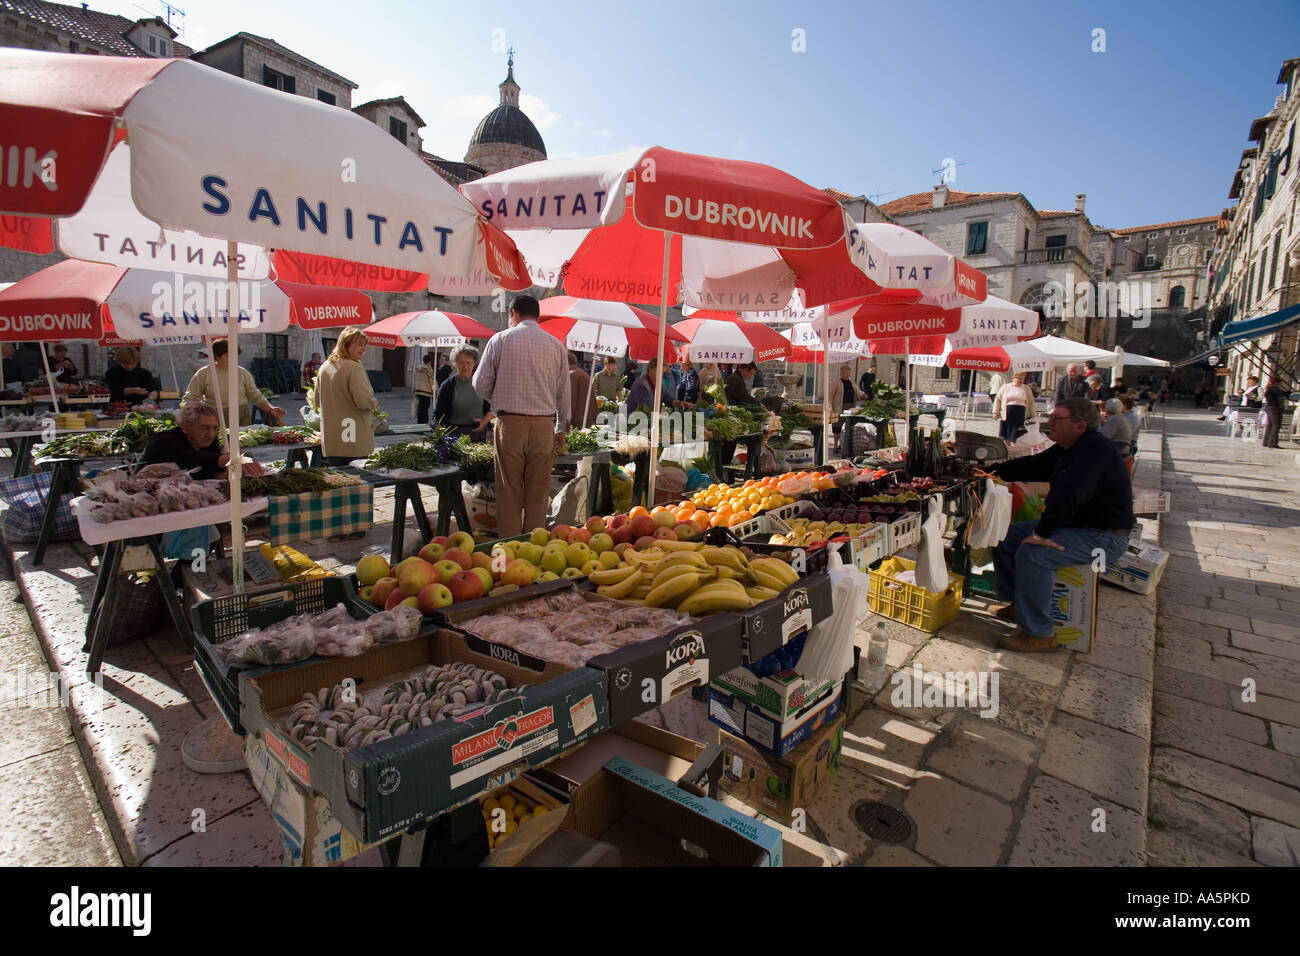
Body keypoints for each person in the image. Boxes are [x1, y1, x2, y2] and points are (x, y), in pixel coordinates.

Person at [983, 398, 1134, 652]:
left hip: (1102, 536)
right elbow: (1033, 465)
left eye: (1056, 418)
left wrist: (1042, 533)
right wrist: (990, 471)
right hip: (1074, 524)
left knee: (1033, 554)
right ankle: (1019, 604)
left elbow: (1070, 495)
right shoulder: (1067, 447)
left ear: (1079, 425)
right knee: (1003, 535)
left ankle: (1039, 633)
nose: (1048, 422)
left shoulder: (1095, 450)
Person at [473, 294, 570, 538]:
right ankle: (534, 545)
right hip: (543, 425)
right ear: (537, 316)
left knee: (508, 490)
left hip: (510, 423)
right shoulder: (556, 345)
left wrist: (497, 400)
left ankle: (511, 546)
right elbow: (563, 393)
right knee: (538, 492)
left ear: (514, 314)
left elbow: (479, 383)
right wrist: (560, 428)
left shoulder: (500, 340)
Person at [313, 328, 380, 478]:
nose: (363, 348)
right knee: (358, 482)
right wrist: (374, 403)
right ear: (346, 344)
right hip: (352, 434)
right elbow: (363, 401)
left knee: (340, 481)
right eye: (358, 344)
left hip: (332, 436)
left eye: (364, 345)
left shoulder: (324, 366)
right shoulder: (354, 367)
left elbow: (317, 399)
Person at [183, 338, 285, 427]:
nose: (233, 358)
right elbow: (191, 396)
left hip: (241, 417)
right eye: (228, 355)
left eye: (235, 355)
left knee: (242, 446)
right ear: (217, 356)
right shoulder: (205, 373)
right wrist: (189, 415)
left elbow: (255, 395)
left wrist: (271, 409)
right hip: (214, 418)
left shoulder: (242, 373)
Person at [142, 401, 256, 480]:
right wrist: (224, 459)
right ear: (186, 427)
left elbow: (212, 471)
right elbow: (188, 458)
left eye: (215, 428)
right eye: (204, 428)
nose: (210, 434)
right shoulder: (165, 441)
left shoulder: (208, 440)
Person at [434, 345, 493, 440]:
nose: (465, 366)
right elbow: (439, 413)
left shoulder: (481, 383)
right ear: (455, 363)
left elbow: (493, 406)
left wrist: (485, 421)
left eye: (469, 363)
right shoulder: (448, 385)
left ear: (474, 363)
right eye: (461, 363)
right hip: (454, 433)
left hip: (478, 431)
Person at [993, 372, 1034, 442]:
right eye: (1019, 379)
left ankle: (1014, 447)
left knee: (1016, 433)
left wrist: (1031, 413)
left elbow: (1031, 402)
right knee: (1006, 433)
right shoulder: (1006, 387)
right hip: (1007, 413)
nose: (1021, 381)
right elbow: (998, 400)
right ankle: (1007, 446)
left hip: (1020, 413)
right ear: (1014, 379)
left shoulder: (1026, 388)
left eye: (1023, 379)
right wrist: (995, 412)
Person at [829, 365, 859, 452]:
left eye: (849, 373)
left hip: (849, 407)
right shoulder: (836, 382)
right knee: (836, 427)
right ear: (841, 373)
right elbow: (830, 395)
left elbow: (857, 392)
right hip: (838, 407)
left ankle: (844, 445)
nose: (848, 374)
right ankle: (835, 445)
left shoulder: (851, 382)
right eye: (846, 373)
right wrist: (830, 407)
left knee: (847, 426)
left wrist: (862, 394)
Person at [568, 352, 595, 429]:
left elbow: (571, 401)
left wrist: (566, 422)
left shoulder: (572, 375)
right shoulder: (582, 372)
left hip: (579, 421)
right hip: (587, 418)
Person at [413, 352, 438, 426]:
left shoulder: (418, 368)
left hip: (418, 390)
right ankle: (424, 424)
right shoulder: (428, 369)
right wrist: (435, 390)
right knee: (425, 408)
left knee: (420, 407)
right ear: (430, 361)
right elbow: (432, 381)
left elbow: (414, 379)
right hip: (426, 391)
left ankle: (419, 422)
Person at [1262, 380, 1289, 448]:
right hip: (1274, 408)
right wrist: (1289, 392)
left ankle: (1266, 442)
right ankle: (1273, 443)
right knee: (1276, 425)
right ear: (1277, 382)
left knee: (1270, 425)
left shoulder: (1268, 389)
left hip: (1269, 407)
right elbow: (1283, 393)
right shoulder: (1274, 389)